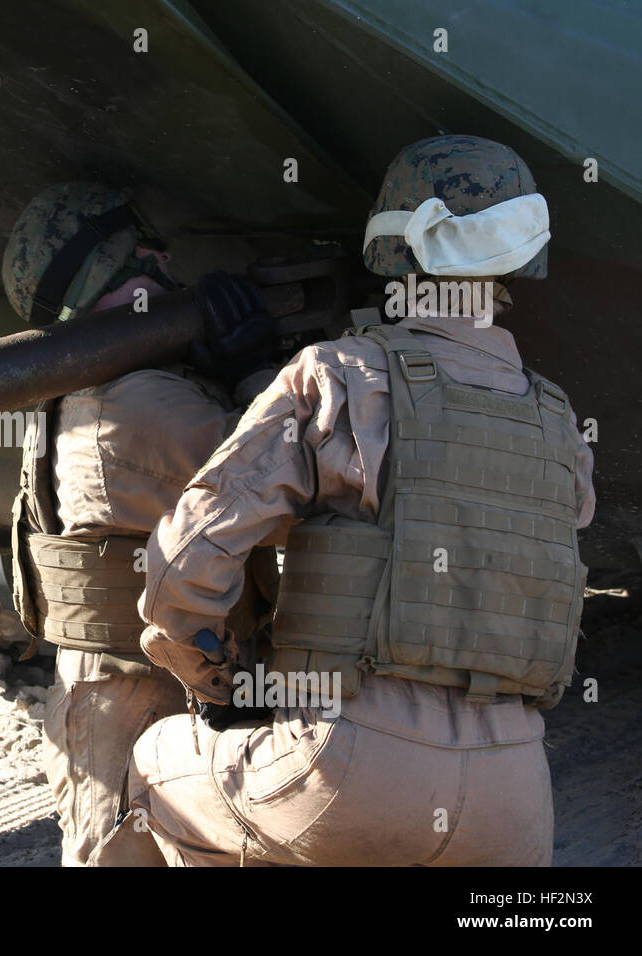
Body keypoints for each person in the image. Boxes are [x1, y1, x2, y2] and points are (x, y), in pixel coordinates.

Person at [98, 135, 594, 866]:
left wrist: (219, 679)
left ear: (395, 248)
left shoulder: (338, 373)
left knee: (154, 772)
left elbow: (180, 569)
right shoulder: (561, 426)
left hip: (346, 773)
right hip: (515, 802)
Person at [4, 183, 277, 866]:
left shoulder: (91, 382)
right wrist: (261, 376)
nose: (162, 256)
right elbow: (296, 492)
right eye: (140, 252)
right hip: (144, 703)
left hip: (136, 692)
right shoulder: (139, 402)